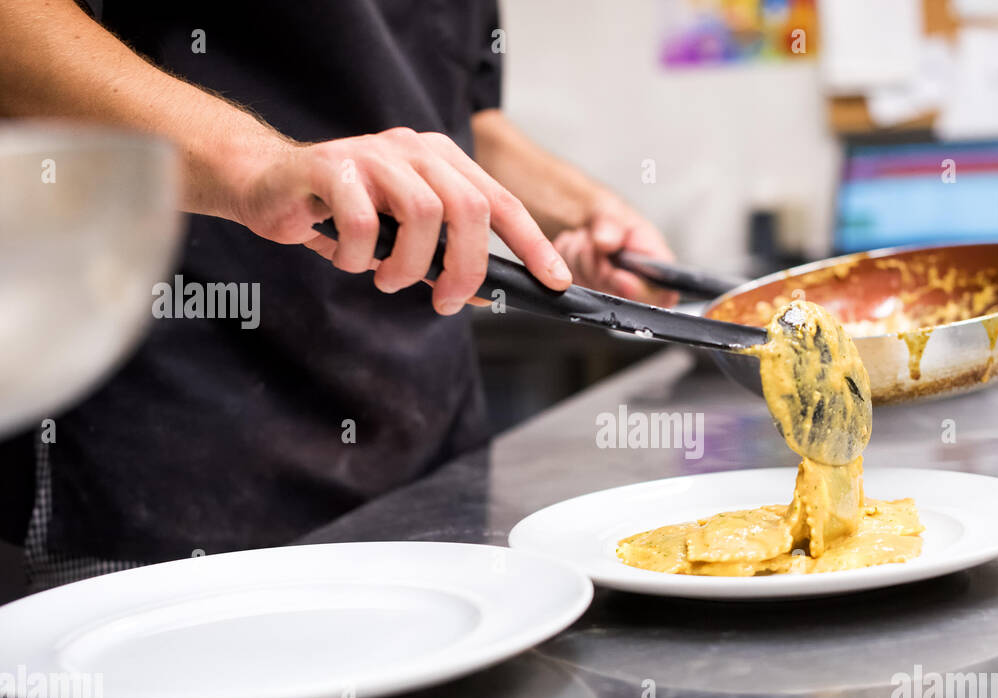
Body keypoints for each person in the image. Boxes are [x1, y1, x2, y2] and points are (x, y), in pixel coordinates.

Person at [0, 0, 674, 588]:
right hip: (172, 455)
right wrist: (257, 162)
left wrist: (578, 213)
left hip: (430, 453)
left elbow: (451, 113)